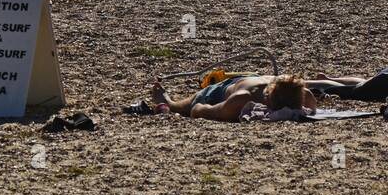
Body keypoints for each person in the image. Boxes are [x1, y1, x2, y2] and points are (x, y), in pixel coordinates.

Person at [150, 73, 362, 122]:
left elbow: (310, 102)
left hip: (263, 78)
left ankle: (357, 80)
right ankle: (165, 98)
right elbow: (200, 110)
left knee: (324, 84)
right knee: (181, 107)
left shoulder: (301, 93)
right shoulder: (242, 99)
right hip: (222, 90)